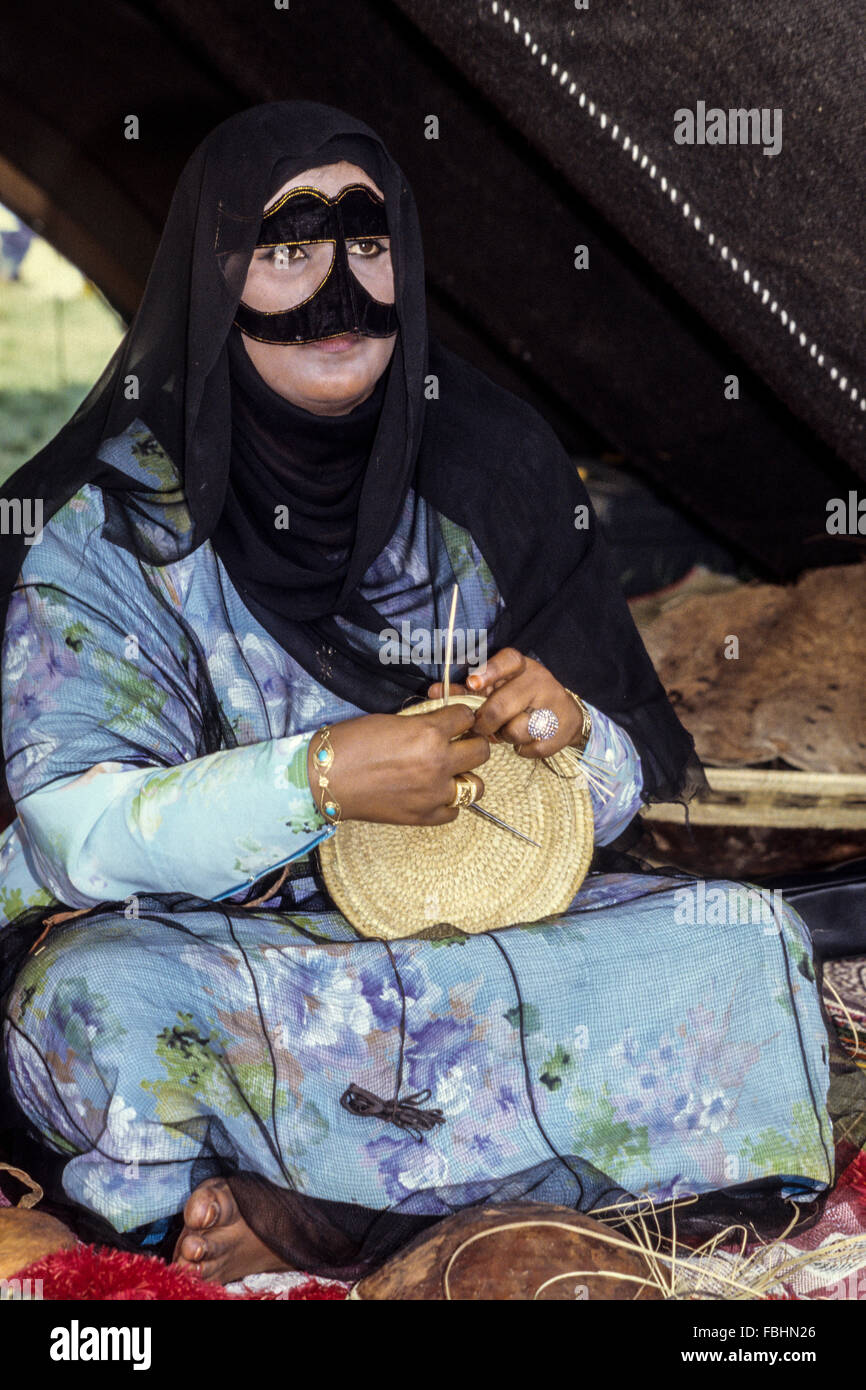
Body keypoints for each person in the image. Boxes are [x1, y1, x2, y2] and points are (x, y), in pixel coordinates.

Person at [0, 102, 845, 1285]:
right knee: (95, 1002)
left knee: (740, 940)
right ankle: (434, 1204)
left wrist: (567, 735)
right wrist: (317, 780)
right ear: (210, 274)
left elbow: (588, 817)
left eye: (369, 243)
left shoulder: (484, 466)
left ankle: (313, 1219)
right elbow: (75, 830)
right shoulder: (120, 528)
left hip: (466, 940)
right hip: (224, 957)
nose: (340, 293)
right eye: (290, 249)